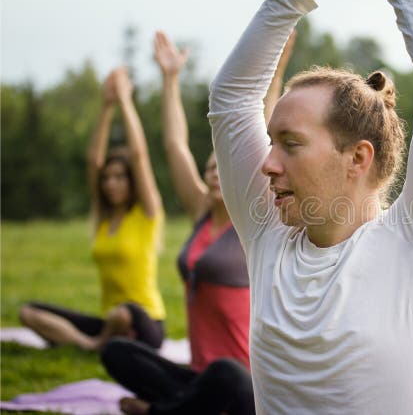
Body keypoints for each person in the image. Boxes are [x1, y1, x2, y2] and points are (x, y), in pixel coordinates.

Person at [208, 0, 413, 412]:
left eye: (290, 144)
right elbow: (231, 98)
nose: (267, 164)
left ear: (357, 158)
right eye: (271, 142)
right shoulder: (268, 235)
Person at [100, 30, 296, 415]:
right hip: (198, 376)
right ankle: (185, 407)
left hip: (247, 384)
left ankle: (158, 412)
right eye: (210, 168)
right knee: (117, 352)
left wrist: (275, 74)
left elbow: (262, 136)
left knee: (227, 375)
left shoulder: (253, 220)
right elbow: (175, 146)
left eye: (225, 168)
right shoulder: (200, 212)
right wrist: (170, 79)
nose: (216, 173)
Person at [19, 68, 166, 352]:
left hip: (145, 322)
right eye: (108, 178)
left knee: (123, 314)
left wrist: (125, 101)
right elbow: (93, 161)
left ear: (133, 182)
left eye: (120, 177)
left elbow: (139, 156)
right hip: (108, 322)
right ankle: (91, 344)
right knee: (29, 312)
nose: (111, 183)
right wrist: (106, 106)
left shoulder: (147, 213)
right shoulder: (103, 217)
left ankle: (96, 343)